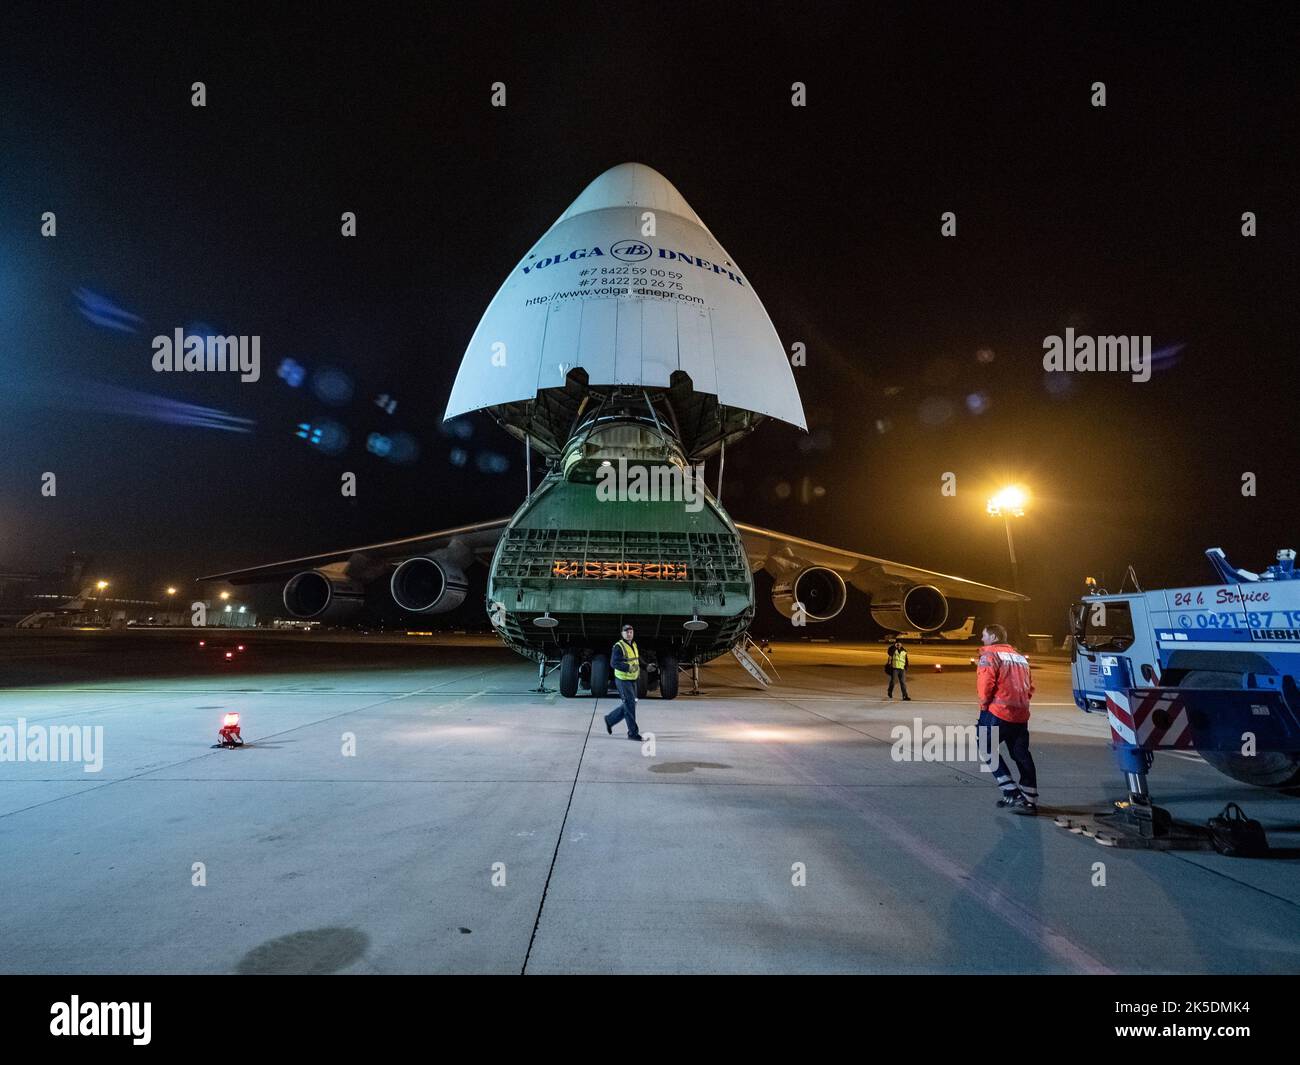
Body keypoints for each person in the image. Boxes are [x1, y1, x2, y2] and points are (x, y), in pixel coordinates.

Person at [976, 623, 1038, 814]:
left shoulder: (990, 655)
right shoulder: (1020, 658)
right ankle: (1029, 799)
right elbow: (1030, 686)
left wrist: (984, 705)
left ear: (993, 637)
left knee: (985, 748)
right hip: (1020, 713)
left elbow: (986, 683)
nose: (982, 639)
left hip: (998, 712)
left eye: (984, 635)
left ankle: (1010, 790)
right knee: (1021, 754)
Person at [604, 623, 642, 740]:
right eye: (627, 632)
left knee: (630, 703)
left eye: (631, 632)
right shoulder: (618, 646)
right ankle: (632, 733)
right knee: (630, 704)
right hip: (623, 680)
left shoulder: (633, 644)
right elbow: (613, 663)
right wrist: (628, 668)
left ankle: (610, 719)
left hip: (632, 679)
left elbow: (636, 659)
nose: (629, 634)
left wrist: (646, 665)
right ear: (622, 634)